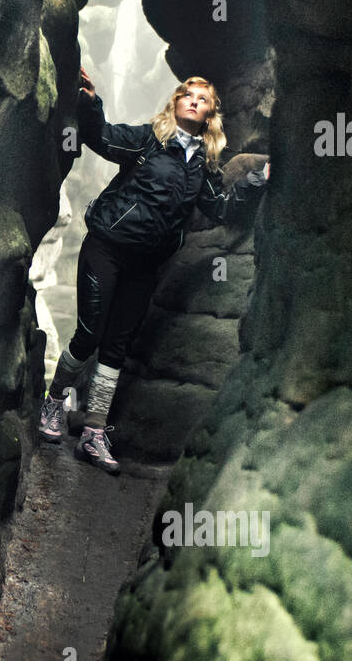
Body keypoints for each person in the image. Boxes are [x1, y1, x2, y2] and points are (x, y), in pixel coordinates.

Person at [38, 67, 270, 473]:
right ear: (175, 104)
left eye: (203, 99)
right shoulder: (148, 140)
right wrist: (91, 104)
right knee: (90, 333)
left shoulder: (202, 167)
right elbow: (103, 138)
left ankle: (93, 432)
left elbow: (221, 209)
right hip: (106, 248)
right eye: (188, 95)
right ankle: (54, 401)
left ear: (210, 116)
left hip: (146, 264)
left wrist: (257, 179)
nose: (194, 100)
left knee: (117, 346)